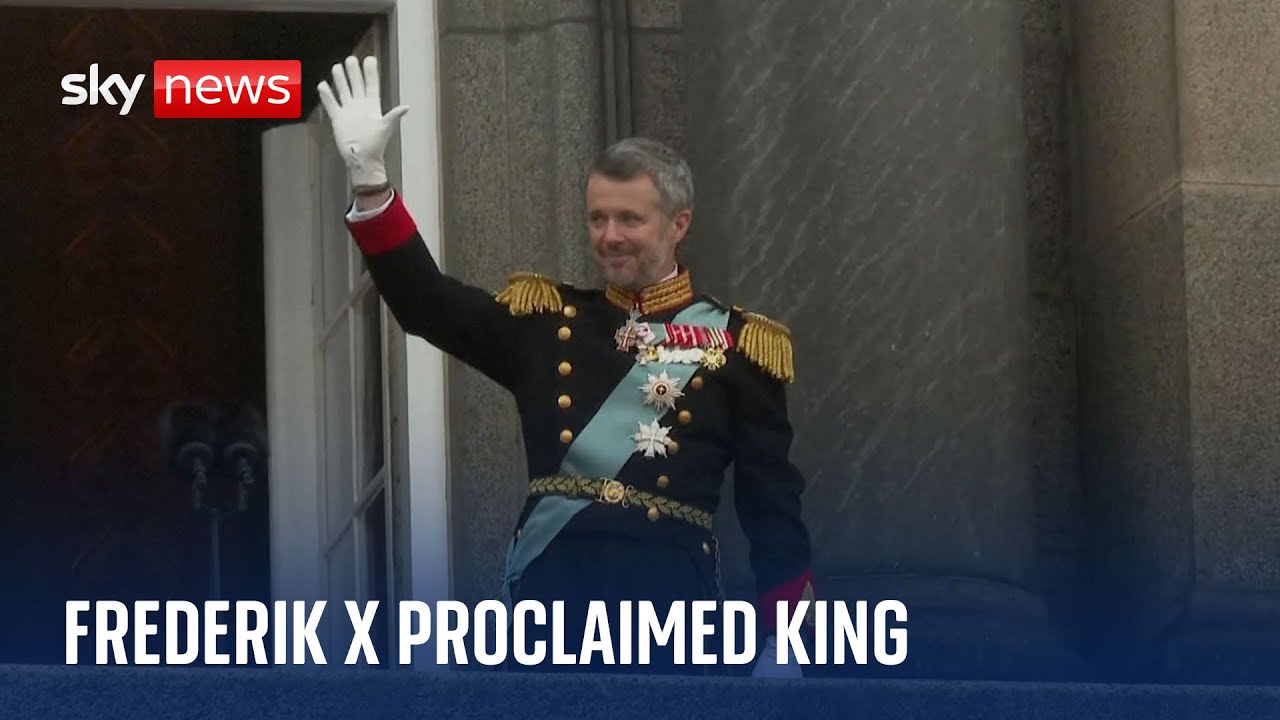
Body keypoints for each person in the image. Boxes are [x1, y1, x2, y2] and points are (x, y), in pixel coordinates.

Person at [318, 56, 814, 677]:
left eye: (630, 219)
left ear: (678, 224)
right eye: (598, 218)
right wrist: (371, 184)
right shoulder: (546, 322)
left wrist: (785, 641)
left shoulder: (740, 346)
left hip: (671, 617)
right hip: (549, 610)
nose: (609, 235)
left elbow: (773, 507)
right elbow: (428, 305)